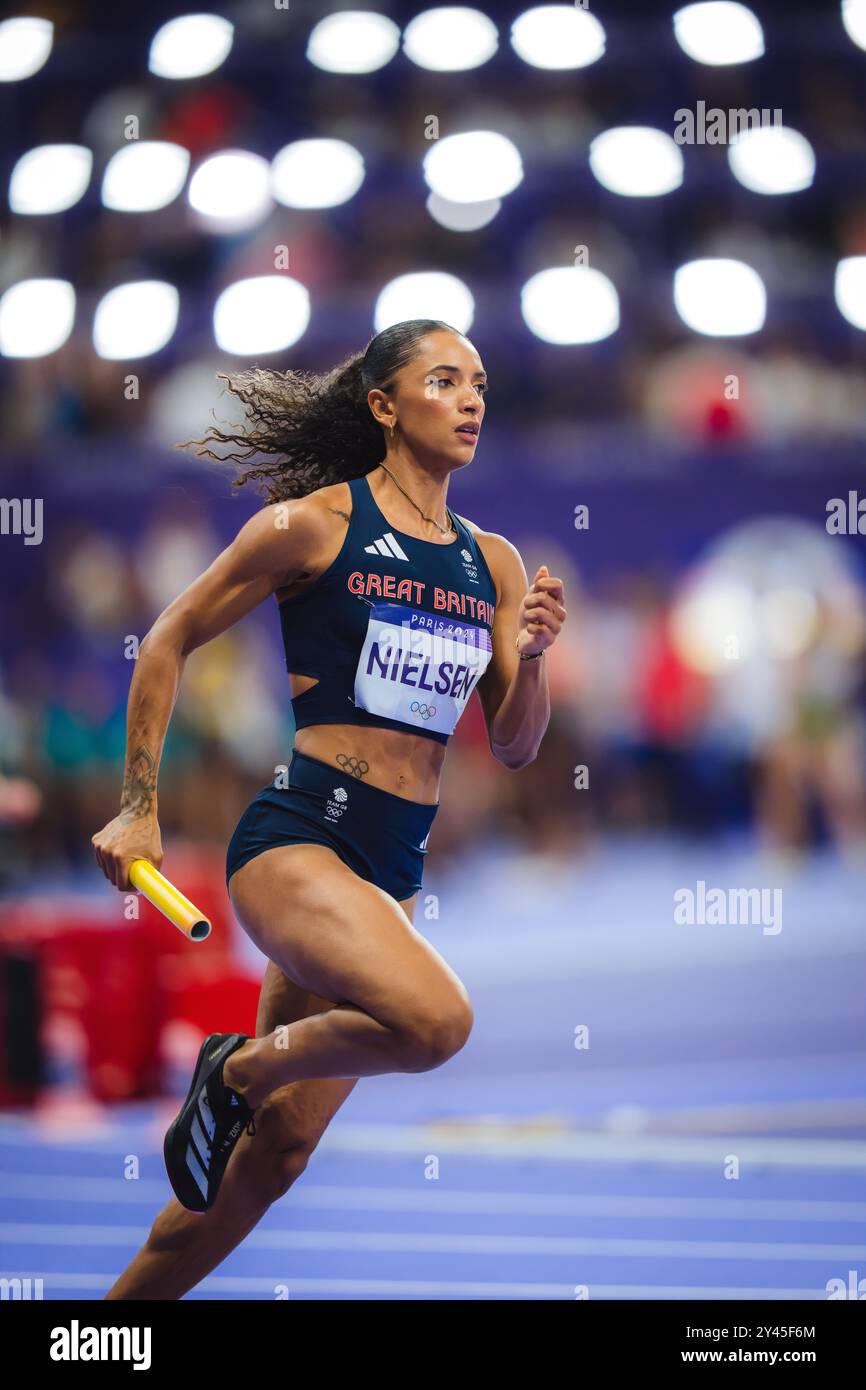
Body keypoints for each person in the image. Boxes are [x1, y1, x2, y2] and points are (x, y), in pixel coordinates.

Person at [93, 318, 566, 1299]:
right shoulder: (312, 525)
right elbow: (171, 634)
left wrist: (536, 657)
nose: (472, 397)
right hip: (298, 842)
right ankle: (234, 1071)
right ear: (384, 406)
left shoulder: (494, 565)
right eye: (445, 380)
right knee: (434, 1021)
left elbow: (517, 744)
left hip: (388, 873)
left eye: (478, 380)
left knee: (273, 1160)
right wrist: (138, 805)